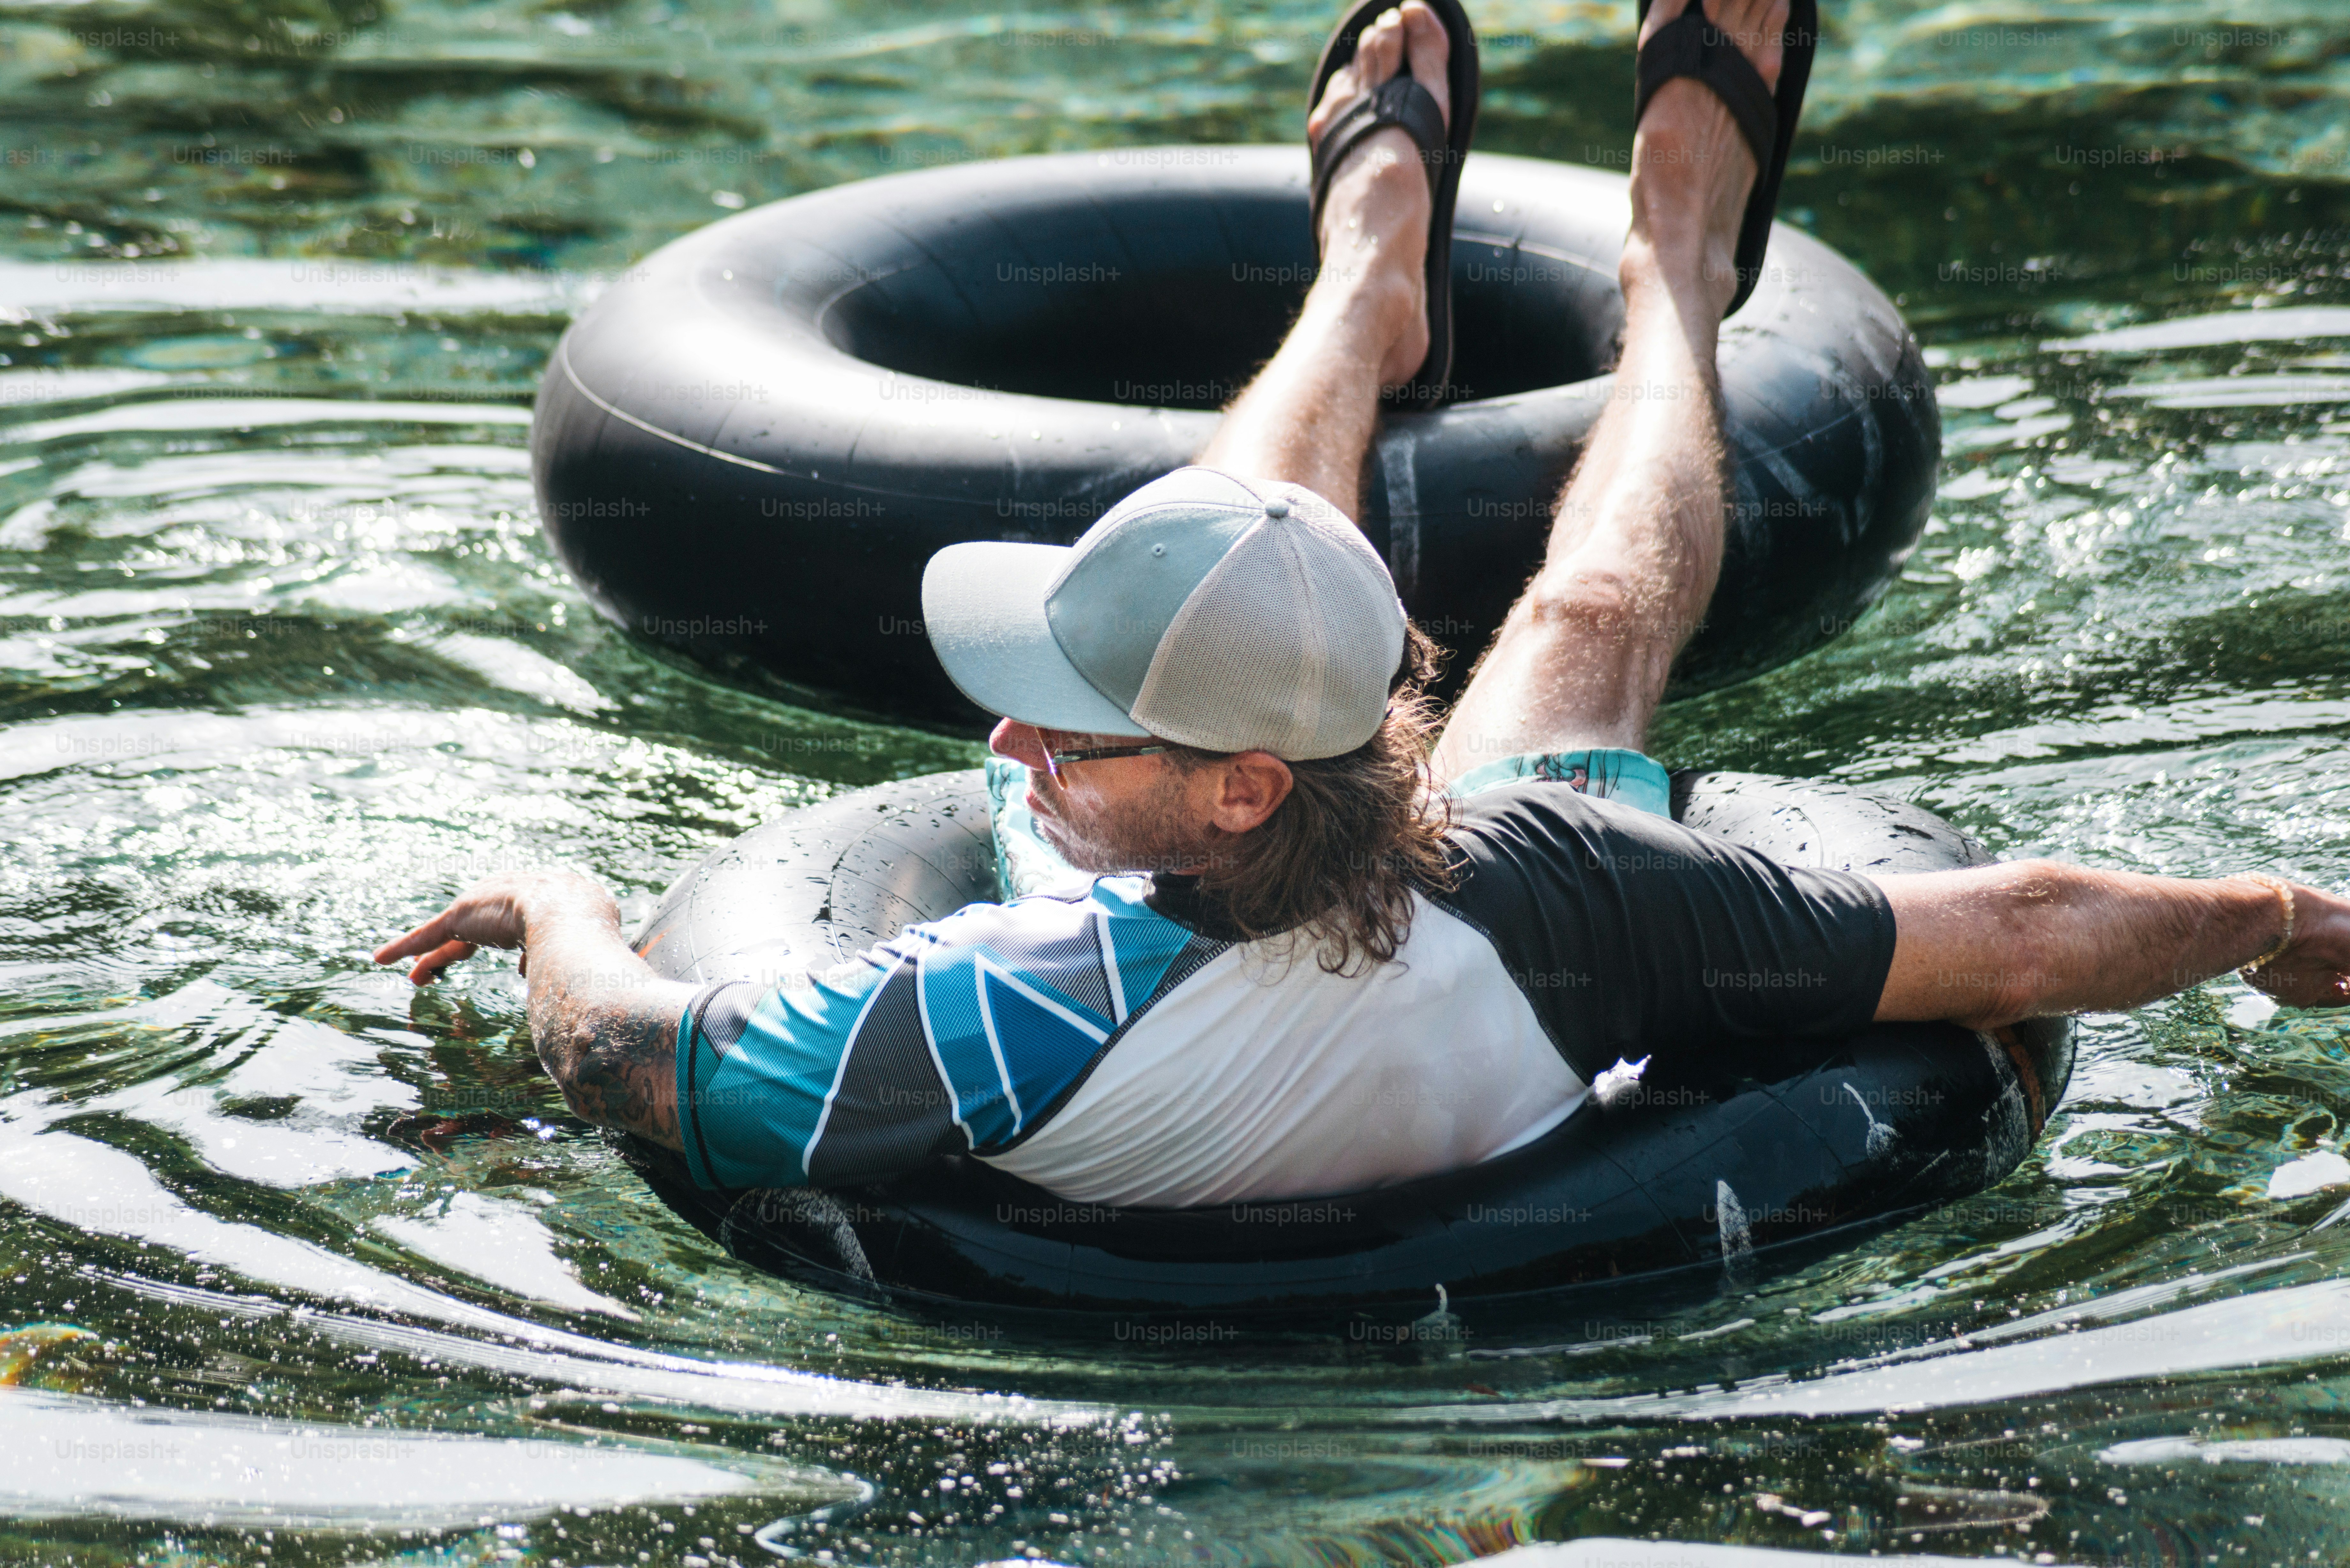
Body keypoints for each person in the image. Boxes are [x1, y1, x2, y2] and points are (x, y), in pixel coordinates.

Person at [377, 0, 2348, 1210]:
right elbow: (2006, 938)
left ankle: (1515, 246)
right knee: (1585, 621)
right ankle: (1579, 256)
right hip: (1440, 913)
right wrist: (2269, 919)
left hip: (1201, 983)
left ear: (1237, 790)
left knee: (1439, 580)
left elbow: (637, 1059)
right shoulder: (1572, 893)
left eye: (1070, 721)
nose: (1004, 741)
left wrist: (551, 897)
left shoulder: (999, 1006)